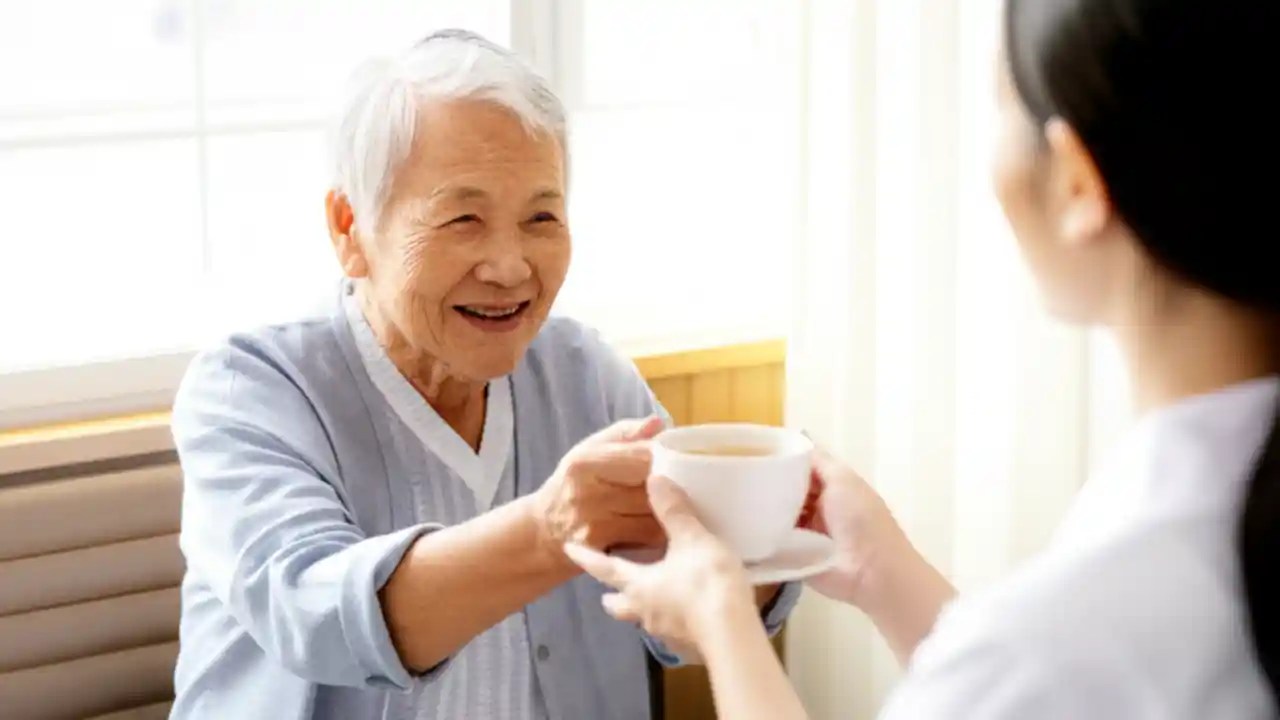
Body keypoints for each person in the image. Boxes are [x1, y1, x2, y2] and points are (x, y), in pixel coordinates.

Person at [567, 0, 1280, 717]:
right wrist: (886, 572)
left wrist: (721, 623)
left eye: (1001, 111)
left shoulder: (1092, 611)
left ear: (1075, 183)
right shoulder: (1177, 555)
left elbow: (1035, 673)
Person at [168, 30, 798, 720]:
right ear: (350, 228)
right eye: (464, 219)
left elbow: (684, 618)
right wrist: (551, 530)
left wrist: (756, 547)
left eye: (541, 217)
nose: (509, 265)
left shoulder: (588, 377)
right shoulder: (249, 392)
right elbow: (315, 615)